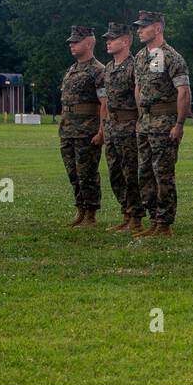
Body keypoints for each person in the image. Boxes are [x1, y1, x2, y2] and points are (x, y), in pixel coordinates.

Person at [131, 10, 191, 238]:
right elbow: (139, 89)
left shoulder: (171, 57)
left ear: (157, 28)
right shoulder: (140, 57)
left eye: (144, 26)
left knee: (162, 173)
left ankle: (164, 222)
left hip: (164, 123)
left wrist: (178, 124)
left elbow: (183, 92)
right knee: (144, 172)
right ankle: (154, 218)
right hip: (145, 123)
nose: (139, 30)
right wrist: (140, 117)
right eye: (138, 26)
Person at [96, 21, 144, 234]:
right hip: (113, 127)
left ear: (125, 41)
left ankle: (136, 218)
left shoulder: (135, 66)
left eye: (112, 39)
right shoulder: (108, 68)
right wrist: (103, 126)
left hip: (129, 126)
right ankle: (125, 212)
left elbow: (141, 97)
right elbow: (105, 102)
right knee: (115, 173)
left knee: (131, 173)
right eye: (107, 39)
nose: (108, 42)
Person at [59, 25, 104, 228]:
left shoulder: (98, 70)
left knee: (87, 173)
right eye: (71, 42)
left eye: (76, 42)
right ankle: (81, 209)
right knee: (73, 173)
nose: (71, 45)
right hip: (68, 129)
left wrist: (102, 131)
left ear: (88, 43)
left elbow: (104, 103)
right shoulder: (72, 69)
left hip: (87, 130)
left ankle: (91, 213)